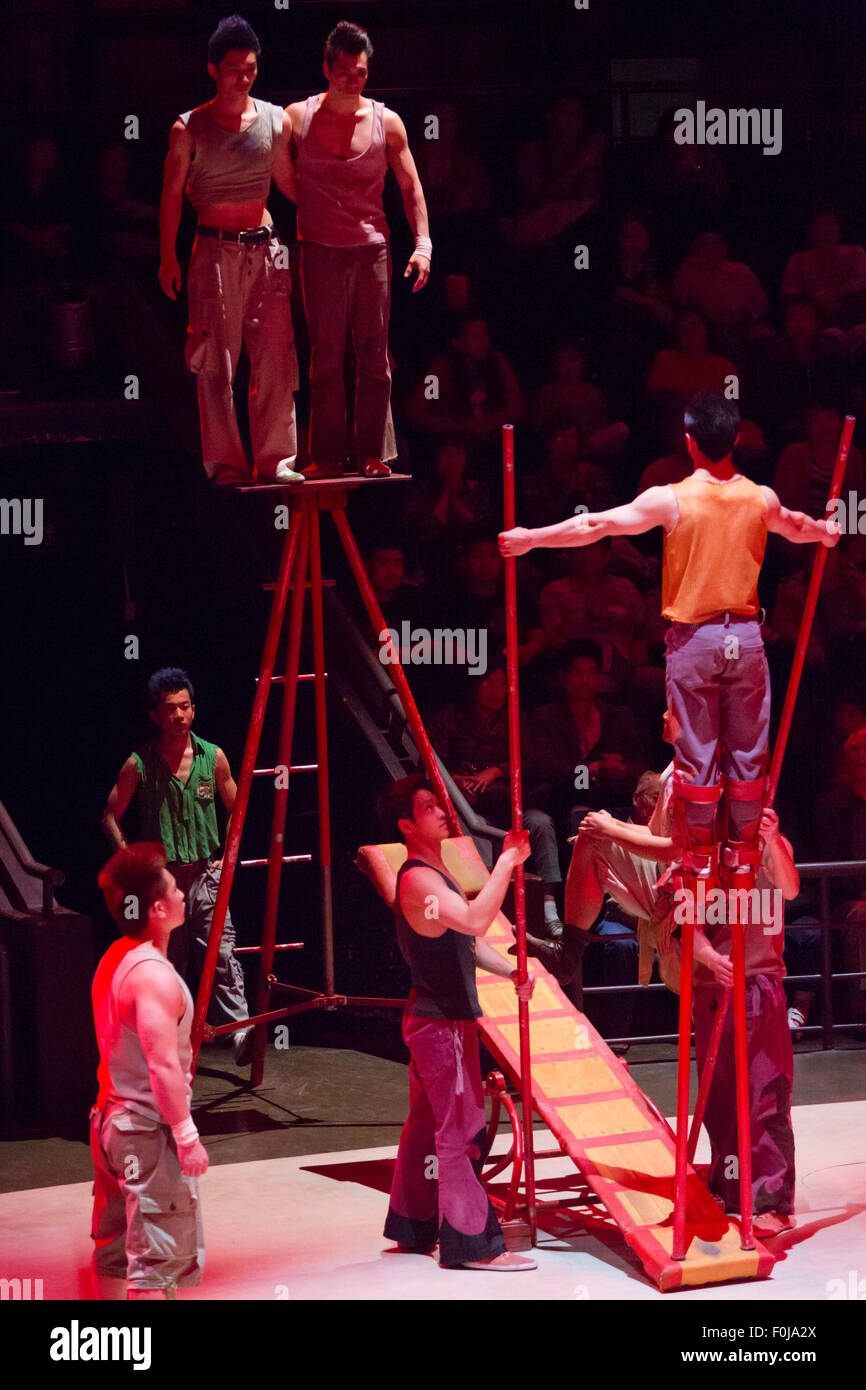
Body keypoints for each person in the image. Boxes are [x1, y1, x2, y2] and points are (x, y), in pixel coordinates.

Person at [500, 390, 839, 905]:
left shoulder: (672, 497)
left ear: (688, 442)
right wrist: (826, 532)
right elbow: (798, 526)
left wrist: (532, 537)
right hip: (744, 639)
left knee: (697, 751)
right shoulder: (760, 497)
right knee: (748, 749)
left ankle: (698, 857)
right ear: (737, 440)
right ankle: (743, 850)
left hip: (697, 641)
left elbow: (596, 524)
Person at [381, 774, 537, 1270]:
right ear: (406, 824)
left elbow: (466, 943)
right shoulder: (418, 879)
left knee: (426, 1127)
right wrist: (508, 864)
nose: (442, 812)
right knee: (461, 1129)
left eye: (439, 804)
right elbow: (473, 920)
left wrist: (509, 968)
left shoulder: (434, 871)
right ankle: (472, 1245)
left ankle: (413, 1224)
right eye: (428, 807)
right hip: (439, 1023)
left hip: (435, 1021)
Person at [159, 14, 302, 485]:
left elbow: (287, 182)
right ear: (213, 70)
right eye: (233, 69)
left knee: (277, 354)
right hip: (214, 252)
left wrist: (337, 204)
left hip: (266, 249)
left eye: (251, 68)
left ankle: (277, 459)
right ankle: (225, 463)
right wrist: (168, 257)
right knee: (216, 360)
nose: (243, 77)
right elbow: (170, 197)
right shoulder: (189, 127)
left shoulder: (275, 120)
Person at [286, 21, 431, 479]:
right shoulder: (296, 117)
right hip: (320, 249)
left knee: (373, 354)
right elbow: (262, 157)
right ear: (327, 69)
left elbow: (411, 186)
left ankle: (371, 452)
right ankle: (326, 454)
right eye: (344, 71)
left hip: (371, 249)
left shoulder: (386, 122)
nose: (353, 80)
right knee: (325, 355)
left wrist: (422, 244)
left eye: (361, 72)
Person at [101, 668, 252, 1066]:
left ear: (194, 709)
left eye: (185, 706)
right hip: (163, 882)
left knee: (221, 952)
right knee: (170, 963)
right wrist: (131, 860)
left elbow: (237, 807)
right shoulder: (140, 764)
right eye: (170, 709)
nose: (179, 715)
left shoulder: (212, 757)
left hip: (205, 872)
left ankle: (240, 1031)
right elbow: (110, 816)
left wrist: (227, 856)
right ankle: (169, 1041)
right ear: (156, 715)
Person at [90, 842, 208, 1299]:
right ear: (158, 908)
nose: (183, 895)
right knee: (160, 1260)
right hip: (145, 1131)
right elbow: (161, 1065)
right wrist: (186, 1135)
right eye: (176, 889)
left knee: (116, 1250)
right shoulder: (154, 976)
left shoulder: (114, 958)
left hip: (111, 1125)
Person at [429, 660, 564, 932]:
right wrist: (456, 781)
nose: (496, 690)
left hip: (510, 798)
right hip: (472, 803)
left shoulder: (517, 717)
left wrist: (496, 771)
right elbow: (433, 761)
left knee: (541, 823)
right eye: (487, 683)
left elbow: (533, 761)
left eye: (501, 683)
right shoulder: (451, 716)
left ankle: (550, 908)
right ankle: (488, 907)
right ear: (473, 687)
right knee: (475, 828)